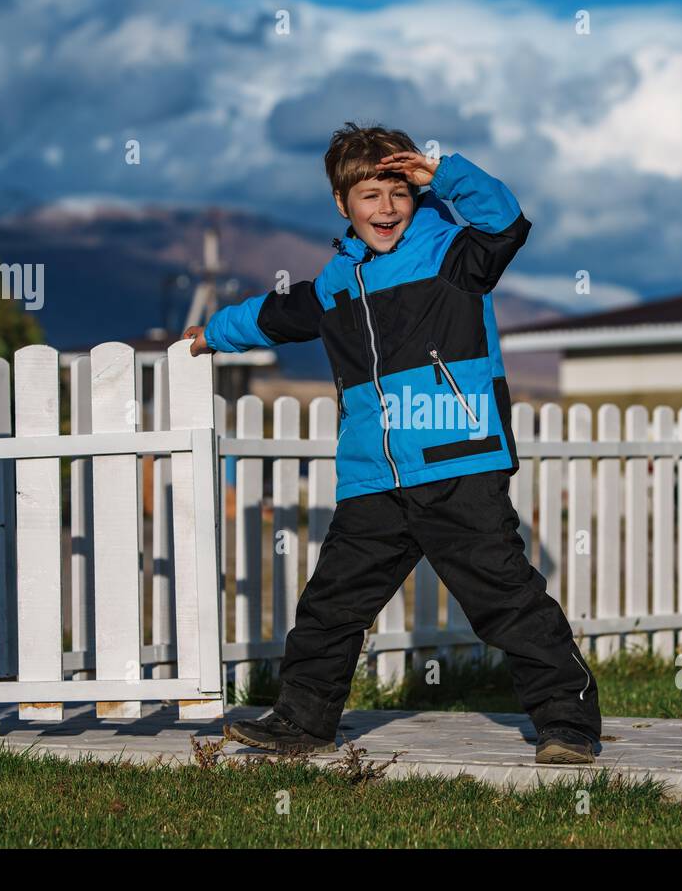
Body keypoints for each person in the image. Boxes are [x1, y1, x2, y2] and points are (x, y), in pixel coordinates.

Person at [182, 121, 601, 764]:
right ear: (342, 204)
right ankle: (304, 721)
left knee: (504, 599)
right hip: (374, 475)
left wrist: (447, 174)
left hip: (457, 463)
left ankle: (567, 723)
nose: (387, 208)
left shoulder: (455, 255)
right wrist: (215, 332)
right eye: (370, 195)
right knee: (331, 605)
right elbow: (279, 314)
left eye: (398, 193)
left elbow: (506, 221)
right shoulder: (337, 280)